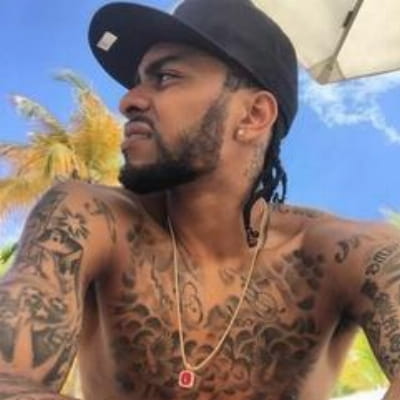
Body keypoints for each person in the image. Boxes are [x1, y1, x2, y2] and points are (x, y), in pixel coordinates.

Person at [1, 0, 400, 399]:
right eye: (136, 81)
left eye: (166, 77)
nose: (128, 101)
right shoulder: (89, 217)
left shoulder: (347, 253)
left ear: (253, 115)